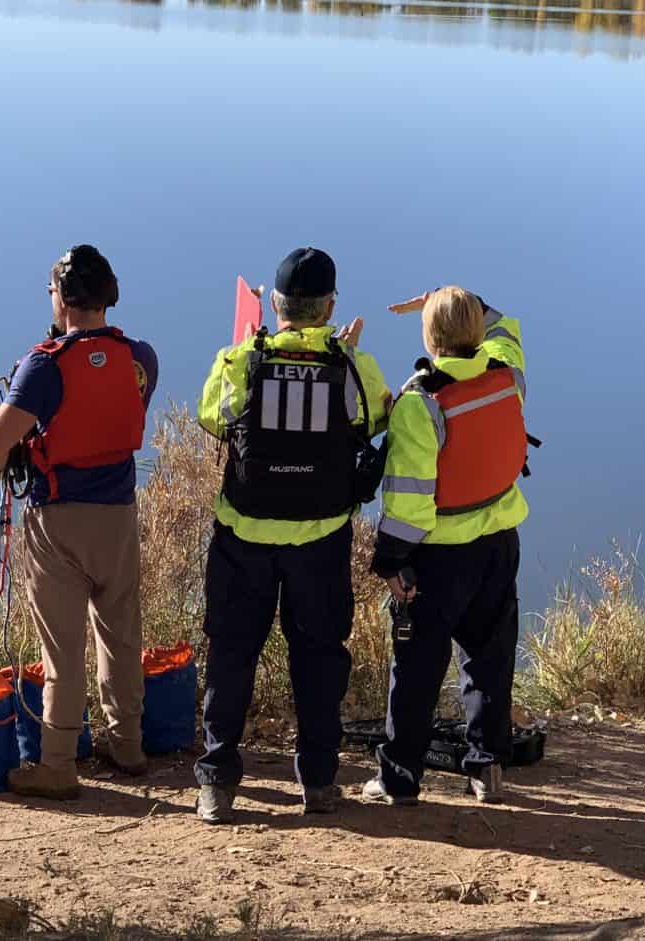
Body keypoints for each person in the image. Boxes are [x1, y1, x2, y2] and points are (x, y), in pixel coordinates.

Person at [194, 247, 391, 824]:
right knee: (320, 660)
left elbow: (212, 418)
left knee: (231, 656)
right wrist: (346, 353)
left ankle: (217, 783)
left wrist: (246, 346)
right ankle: (319, 785)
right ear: (330, 306)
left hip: (242, 539)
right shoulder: (353, 365)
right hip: (320, 540)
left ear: (275, 306)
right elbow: (378, 420)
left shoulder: (239, 360)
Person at [0, 245, 159, 800]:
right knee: (121, 634)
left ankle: (57, 762)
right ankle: (127, 743)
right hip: (120, 515)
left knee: (62, 648)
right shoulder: (141, 357)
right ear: (111, 295)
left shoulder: (44, 364)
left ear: (59, 298)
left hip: (56, 522)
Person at [365, 286, 529, 806]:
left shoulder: (421, 404)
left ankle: (399, 778)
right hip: (499, 543)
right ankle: (486, 769)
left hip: (439, 558)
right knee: (490, 658)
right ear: (479, 332)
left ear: (429, 339)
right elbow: (509, 330)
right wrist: (464, 299)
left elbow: (410, 500)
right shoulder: (506, 375)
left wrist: (391, 559)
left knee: (416, 667)